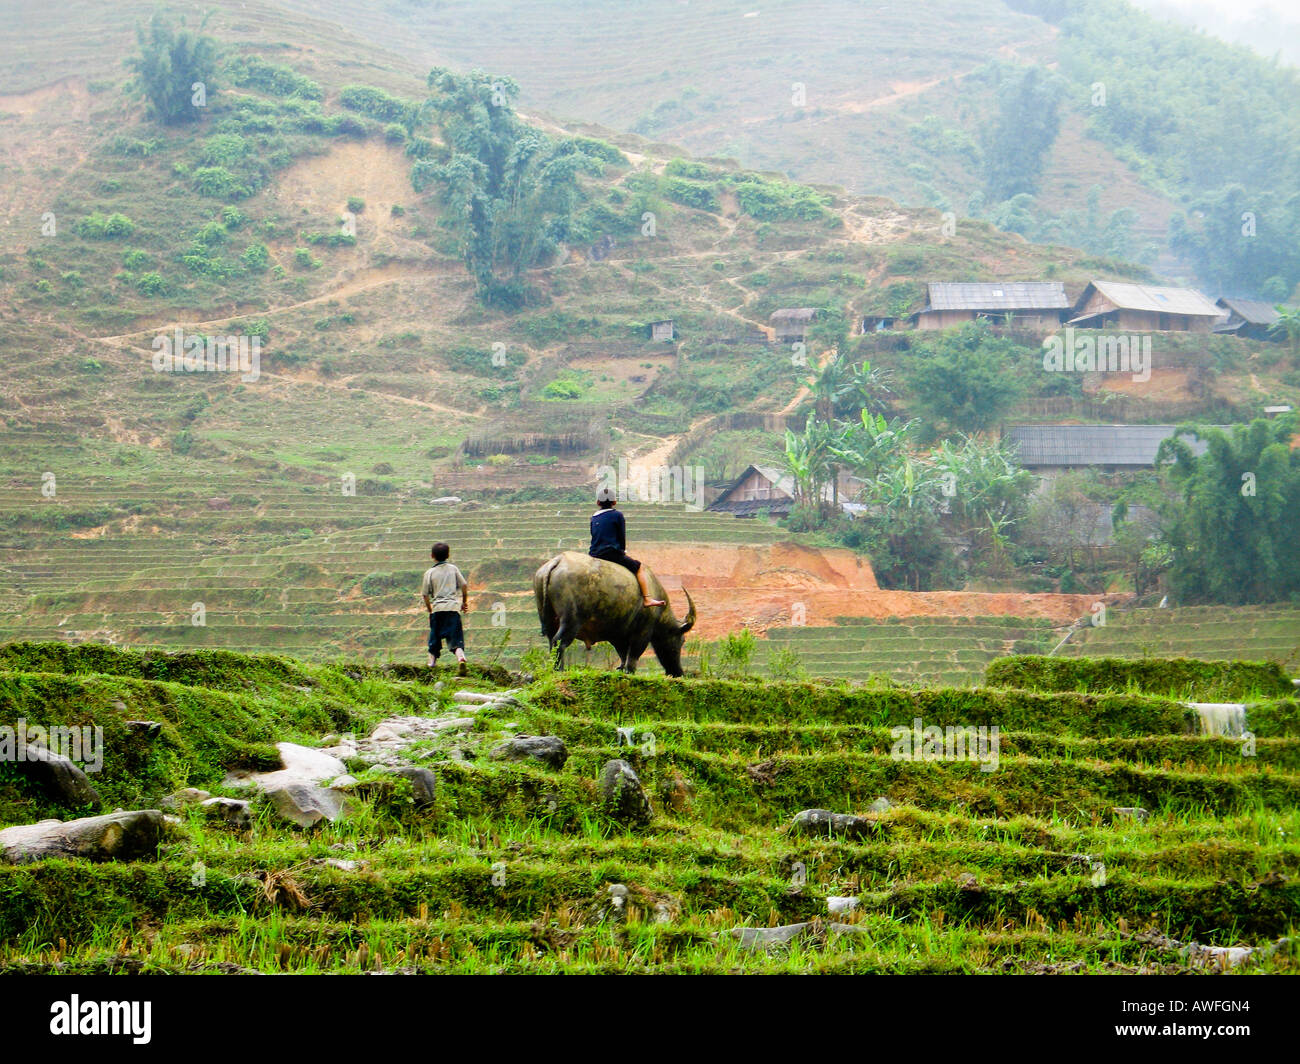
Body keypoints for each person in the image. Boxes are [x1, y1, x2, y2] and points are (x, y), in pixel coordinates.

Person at [589, 486, 665, 608]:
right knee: (638, 567)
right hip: (611, 553)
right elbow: (621, 536)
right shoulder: (617, 515)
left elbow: (593, 535)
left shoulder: (594, 517)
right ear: (614, 502)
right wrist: (622, 551)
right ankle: (647, 599)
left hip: (594, 553)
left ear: (598, 502)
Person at [421, 541, 469, 674]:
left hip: (437, 609)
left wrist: (430, 610)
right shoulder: (453, 569)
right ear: (448, 555)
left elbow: (425, 595)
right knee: (456, 638)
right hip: (453, 608)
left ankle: (431, 663)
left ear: (432, 556)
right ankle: (461, 659)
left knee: (434, 639)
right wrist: (464, 602)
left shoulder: (429, 573)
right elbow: (464, 585)